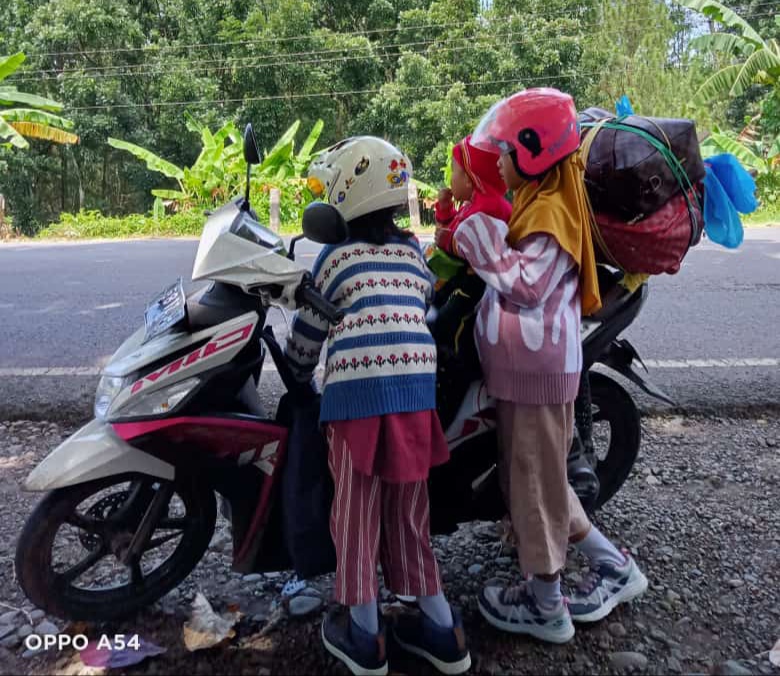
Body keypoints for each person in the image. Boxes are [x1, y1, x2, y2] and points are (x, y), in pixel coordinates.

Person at [451, 89, 648, 643]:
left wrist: (474, 234)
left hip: (534, 375)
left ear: (533, 154)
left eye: (506, 154)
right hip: (530, 370)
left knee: (532, 488)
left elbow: (527, 283)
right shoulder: (543, 198)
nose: (499, 163)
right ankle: (615, 568)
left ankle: (545, 605)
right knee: (547, 484)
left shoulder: (551, 210)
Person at [286, 136, 471, 676]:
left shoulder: (335, 258)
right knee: (410, 512)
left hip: (357, 403)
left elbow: (307, 337)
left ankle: (365, 634)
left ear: (346, 192)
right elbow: (418, 304)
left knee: (356, 513)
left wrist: (297, 376)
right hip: (416, 399)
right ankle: (443, 630)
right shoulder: (412, 253)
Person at [426, 137, 512, 424]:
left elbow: (463, 238)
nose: (451, 177)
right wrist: (444, 206)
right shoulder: (475, 202)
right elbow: (454, 225)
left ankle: (458, 369)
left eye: (455, 171)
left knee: (449, 322)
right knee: (435, 306)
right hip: (464, 277)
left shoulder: (489, 207)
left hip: (478, 285)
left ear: (472, 177)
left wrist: (447, 239)